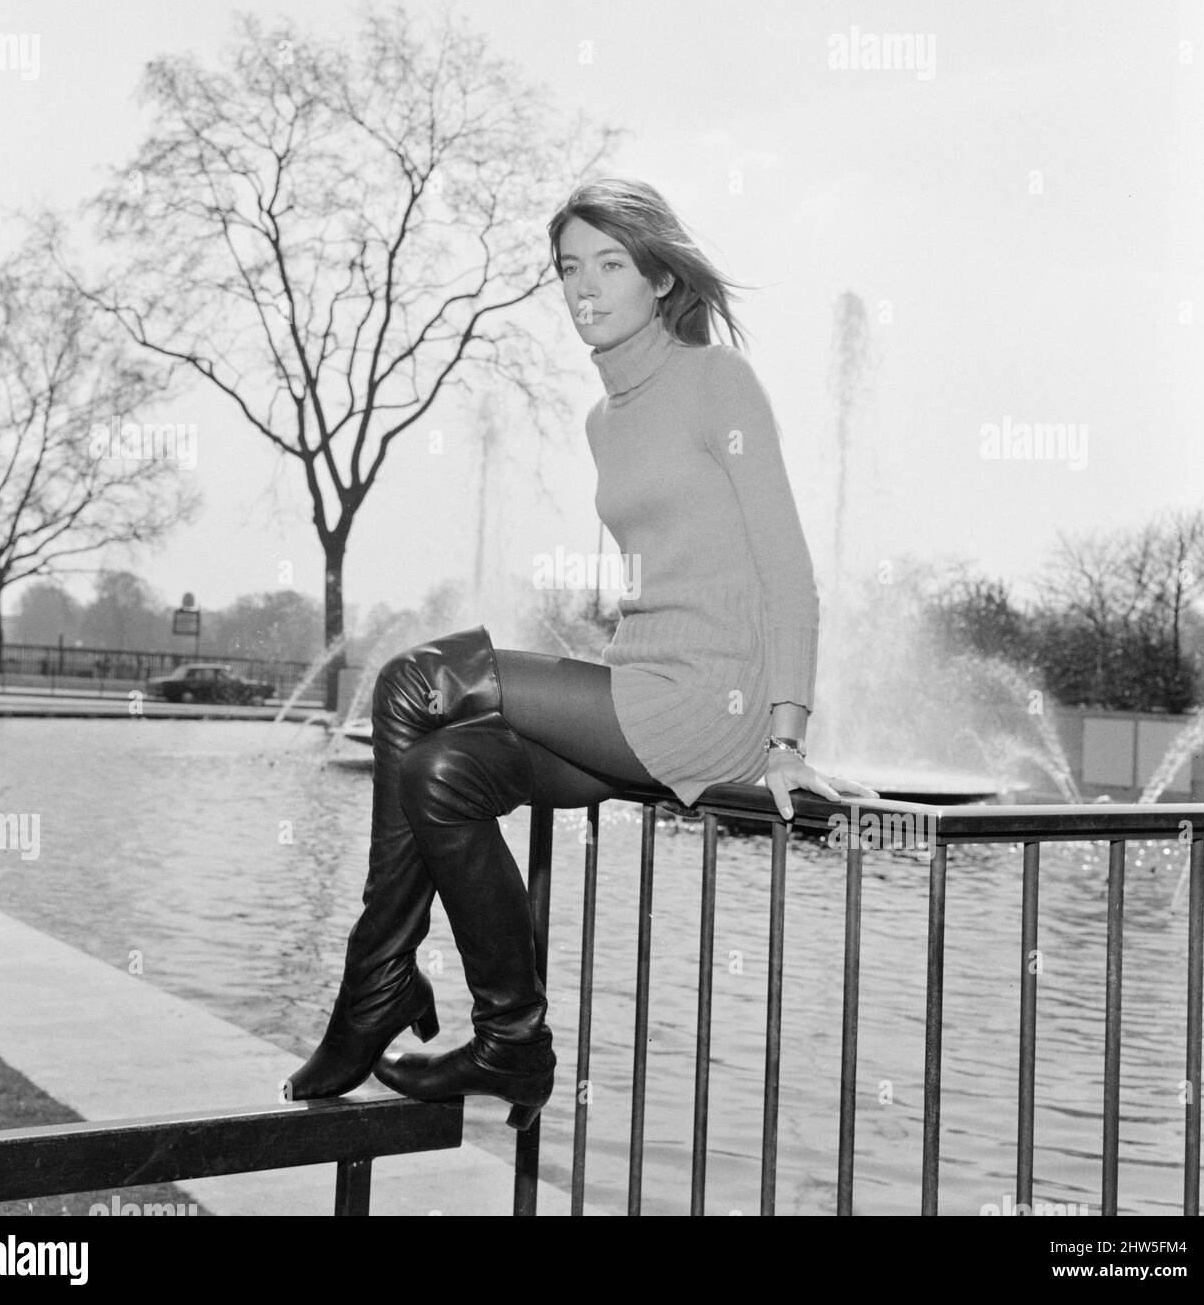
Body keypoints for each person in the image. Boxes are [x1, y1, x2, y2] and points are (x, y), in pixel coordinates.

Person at [286, 177, 875, 1130]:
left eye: (610, 263)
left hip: (707, 707)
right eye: (569, 267)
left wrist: (787, 742)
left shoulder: (717, 379)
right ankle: (512, 1041)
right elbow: (660, 584)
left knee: (411, 683)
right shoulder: (603, 419)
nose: (585, 287)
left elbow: (789, 575)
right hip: (635, 688)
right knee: (441, 775)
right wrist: (582, 674)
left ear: (656, 274)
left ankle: (374, 988)